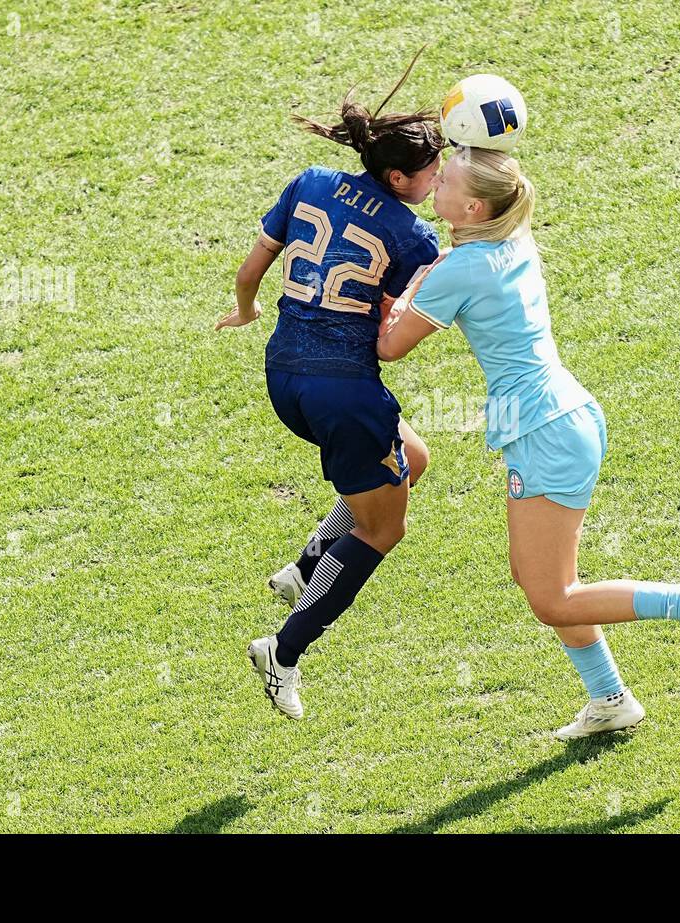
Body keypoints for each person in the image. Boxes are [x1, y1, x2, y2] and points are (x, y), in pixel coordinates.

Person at [376, 146, 680, 739]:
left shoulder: (460, 269)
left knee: (552, 598)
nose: (434, 182)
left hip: (544, 431)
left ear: (471, 205)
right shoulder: (512, 239)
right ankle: (610, 699)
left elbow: (390, 348)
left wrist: (392, 303)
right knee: (540, 581)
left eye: (447, 178)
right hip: (563, 419)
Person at [215, 62, 444, 719]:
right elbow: (383, 340)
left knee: (413, 459)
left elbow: (252, 266)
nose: (438, 180)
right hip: (345, 394)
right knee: (383, 529)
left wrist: (246, 308)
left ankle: (303, 569)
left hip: (283, 377)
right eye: (431, 172)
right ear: (398, 178)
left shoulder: (311, 183)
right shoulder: (411, 237)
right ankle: (282, 652)